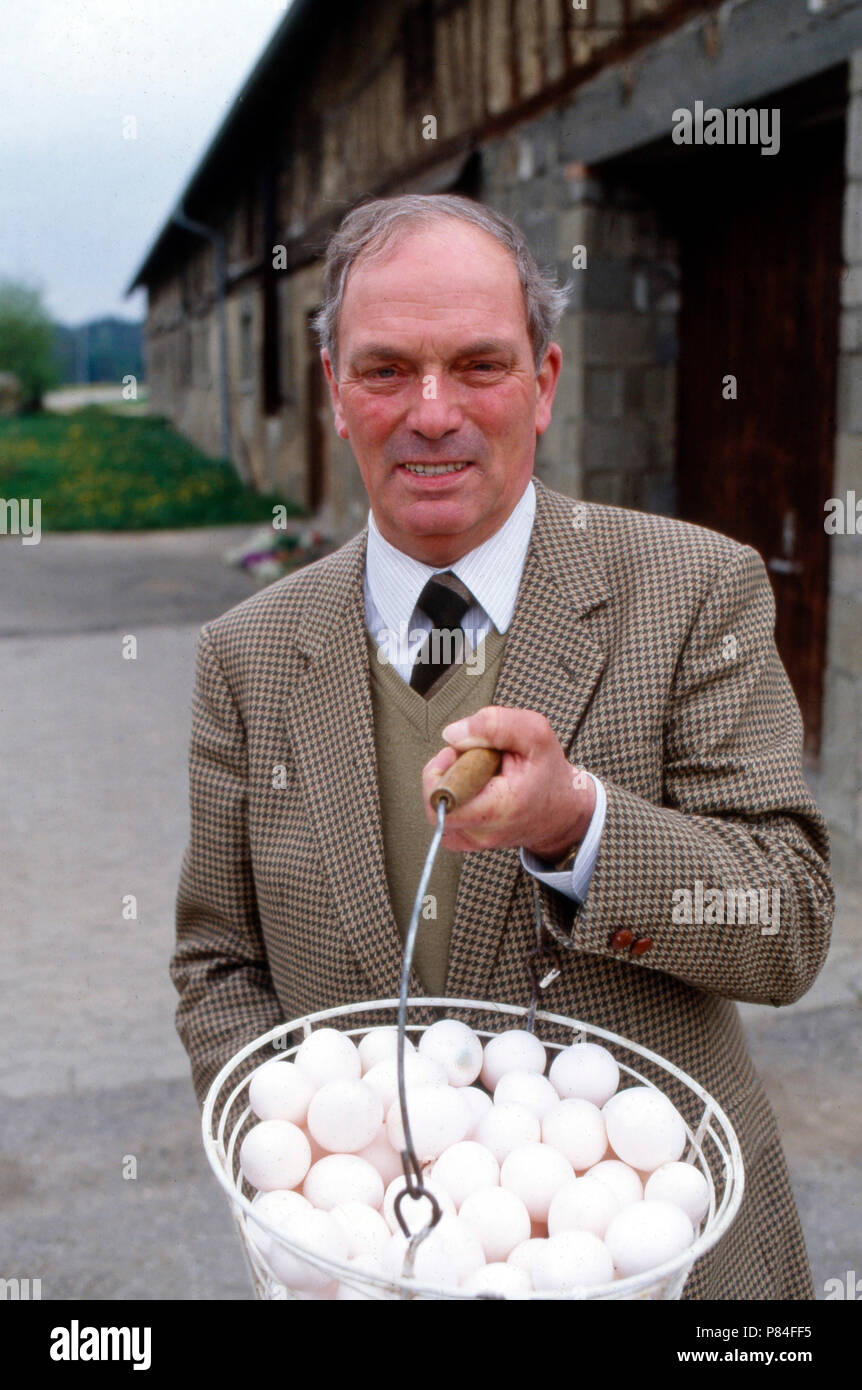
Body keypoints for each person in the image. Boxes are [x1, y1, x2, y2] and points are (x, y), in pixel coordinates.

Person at [171, 193, 834, 1300]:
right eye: (385, 371)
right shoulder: (247, 652)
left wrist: (579, 824)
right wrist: (304, 1178)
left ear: (546, 380)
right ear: (335, 390)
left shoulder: (691, 588)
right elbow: (216, 965)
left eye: (479, 364)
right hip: (368, 1267)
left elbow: (787, 920)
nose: (433, 413)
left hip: (661, 1259)